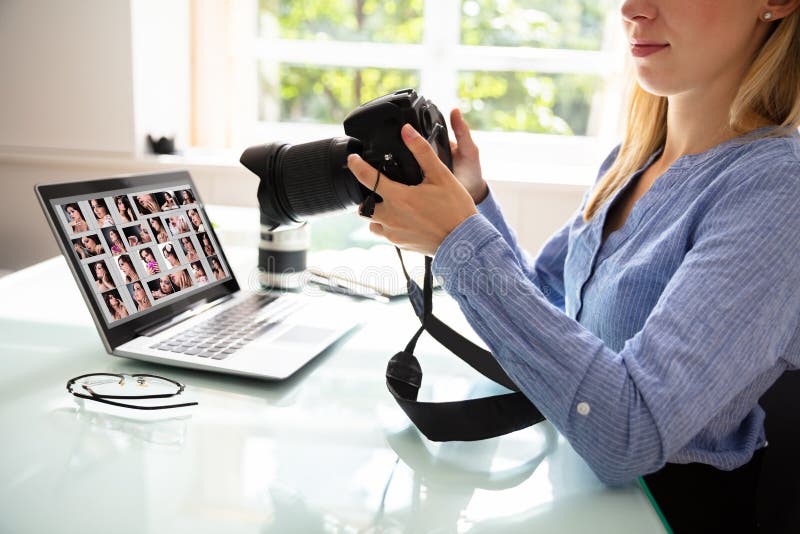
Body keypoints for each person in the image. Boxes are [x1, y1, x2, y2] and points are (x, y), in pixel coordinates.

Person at [346, 2, 800, 531]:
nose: (631, 8)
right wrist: (471, 203)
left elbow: (629, 435)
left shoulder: (775, 193)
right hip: (579, 493)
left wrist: (458, 240)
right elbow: (548, 311)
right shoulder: (633, 158)